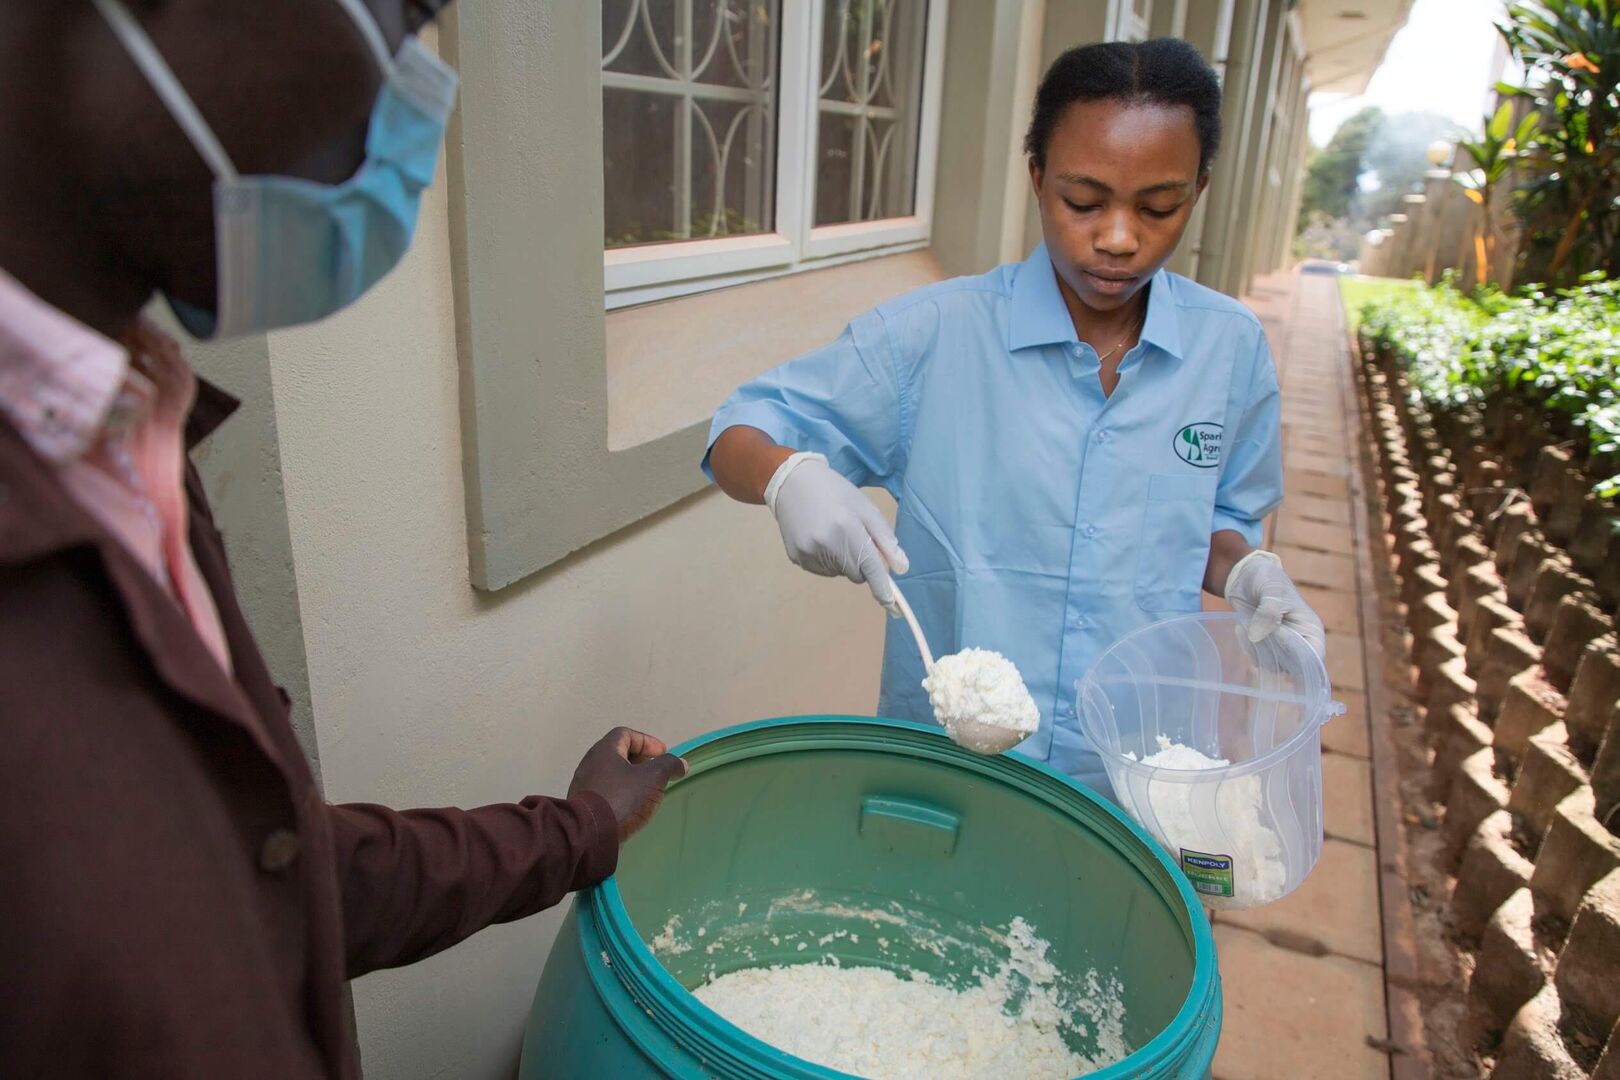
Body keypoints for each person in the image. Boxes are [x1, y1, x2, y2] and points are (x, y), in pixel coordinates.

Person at [0, 2, 684, 1076]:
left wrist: (577, 830)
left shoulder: (127, 435)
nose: (419, 98)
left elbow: (273, 872)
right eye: (404, 19)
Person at [705, 38, 1326, 794]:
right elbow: (741, 426)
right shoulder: (934, 337)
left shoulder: (1229, 350)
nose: (1119, 238)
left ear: (1196, 191)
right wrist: (784, 476)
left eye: (1158, 207)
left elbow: (1217, 524)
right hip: (951, 767)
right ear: (1036, 177)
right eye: (1083, 201)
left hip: (1133, 766)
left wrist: (1249, 573)